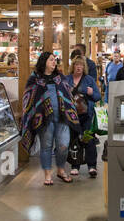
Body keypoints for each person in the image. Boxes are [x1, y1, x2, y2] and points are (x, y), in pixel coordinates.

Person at [19, 52, 81, 186]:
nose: (54, 62)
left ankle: (60, 169)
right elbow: (28, 98)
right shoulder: (35, 79)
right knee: (46, 146)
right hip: (45, 118)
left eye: (55, 60)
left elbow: (67, 94)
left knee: (63, 145)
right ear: (44, 62)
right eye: (51, 60)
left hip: (62, 117)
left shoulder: (59, 77)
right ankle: (48, 174)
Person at [67, 56, 102, 178]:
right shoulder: (67, 80)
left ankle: (91, 166)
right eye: (77, 65)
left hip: (87, 115)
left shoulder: (89, 80)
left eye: (81, 65)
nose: (79, 67)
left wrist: (92, 93)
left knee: (88, 139)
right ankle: (75, 166)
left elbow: (98, 97)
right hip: (72, 116)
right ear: (73, 66)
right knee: (74, 139)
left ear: (84, 67)